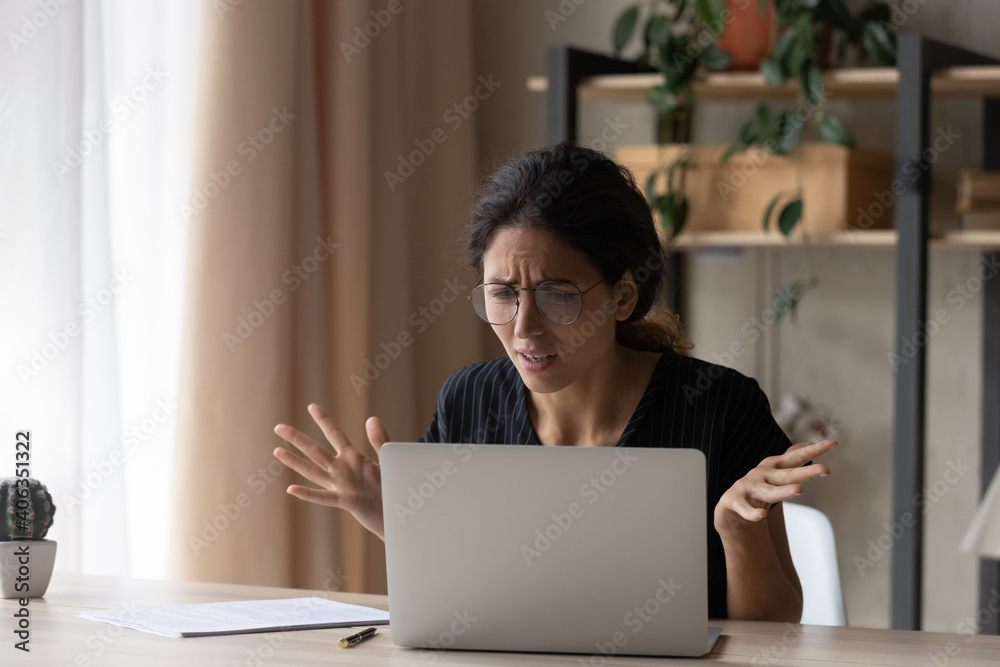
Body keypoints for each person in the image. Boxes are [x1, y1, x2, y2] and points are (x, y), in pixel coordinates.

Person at [272, 141, 836, 623]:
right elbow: (479, 593)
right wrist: (391, 522)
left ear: (622, 295)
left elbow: (776, 632)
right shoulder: (471, 401)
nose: (524, 330)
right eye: (501, 295)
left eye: (557, 295)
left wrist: (738, 532)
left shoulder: (719, 406)